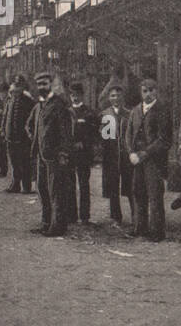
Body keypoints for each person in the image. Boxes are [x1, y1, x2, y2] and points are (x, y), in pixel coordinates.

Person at [28, 71, 74, 236]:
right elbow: (31, 126)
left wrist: (63, 153)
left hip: (55, 156)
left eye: (45, 84)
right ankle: (46, 223)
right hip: (42, 155)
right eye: (39, 84)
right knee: (43, 189)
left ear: (51, 85)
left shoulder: (59, 104)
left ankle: (58, 226)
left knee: (56, 191)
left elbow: (65, 132)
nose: (42, 87)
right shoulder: (41, 105)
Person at [125, 78, 171, 241]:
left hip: (153, 160)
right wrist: (131, 152)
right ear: (141, 92)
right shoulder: (136, 110)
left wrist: (145, 153)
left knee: (154, 194)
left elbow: (164, 139)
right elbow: (129, 133)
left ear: (156, 91)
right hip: (136, 159)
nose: (148, 94)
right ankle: (140, 228)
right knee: (138, 192)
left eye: (151, 90)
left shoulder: (162, 110)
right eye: (145, 91)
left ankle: (157, 232)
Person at [99, 80, 134, 228]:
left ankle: (135, 215)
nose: (116, 98)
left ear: (123, 97)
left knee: (131, 186)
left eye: (119, 95)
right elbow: (102, 136)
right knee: (113, 186)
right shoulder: (105, 115)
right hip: (111, 155)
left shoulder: (130, 114)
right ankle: (116, 217)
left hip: (126, 155)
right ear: (109, 98)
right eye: (113, 96)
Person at [68, 81, 98, 225]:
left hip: (84, 154)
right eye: (72, 95)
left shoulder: (89, 113)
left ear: (82, 95)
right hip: (70, 154)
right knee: (70, 184)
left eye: (77, 95)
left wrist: (83, 143)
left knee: (84, 184)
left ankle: (85, 216)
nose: (75, 98)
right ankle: (72, 215)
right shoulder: (66, 112)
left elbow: (93, 133)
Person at [4, 74, 36, 194]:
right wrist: (4, 131)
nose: (17, 89)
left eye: (19, 86)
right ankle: (15, 185)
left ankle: (26, 186)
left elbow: (31, 121)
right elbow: (6, 117)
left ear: (23, 87)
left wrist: (29, 135)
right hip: (11, 137)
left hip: (23, 139)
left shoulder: (28, 101)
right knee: (14, 163)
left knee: (25, 162)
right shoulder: (10, 100)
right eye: (15, 86)